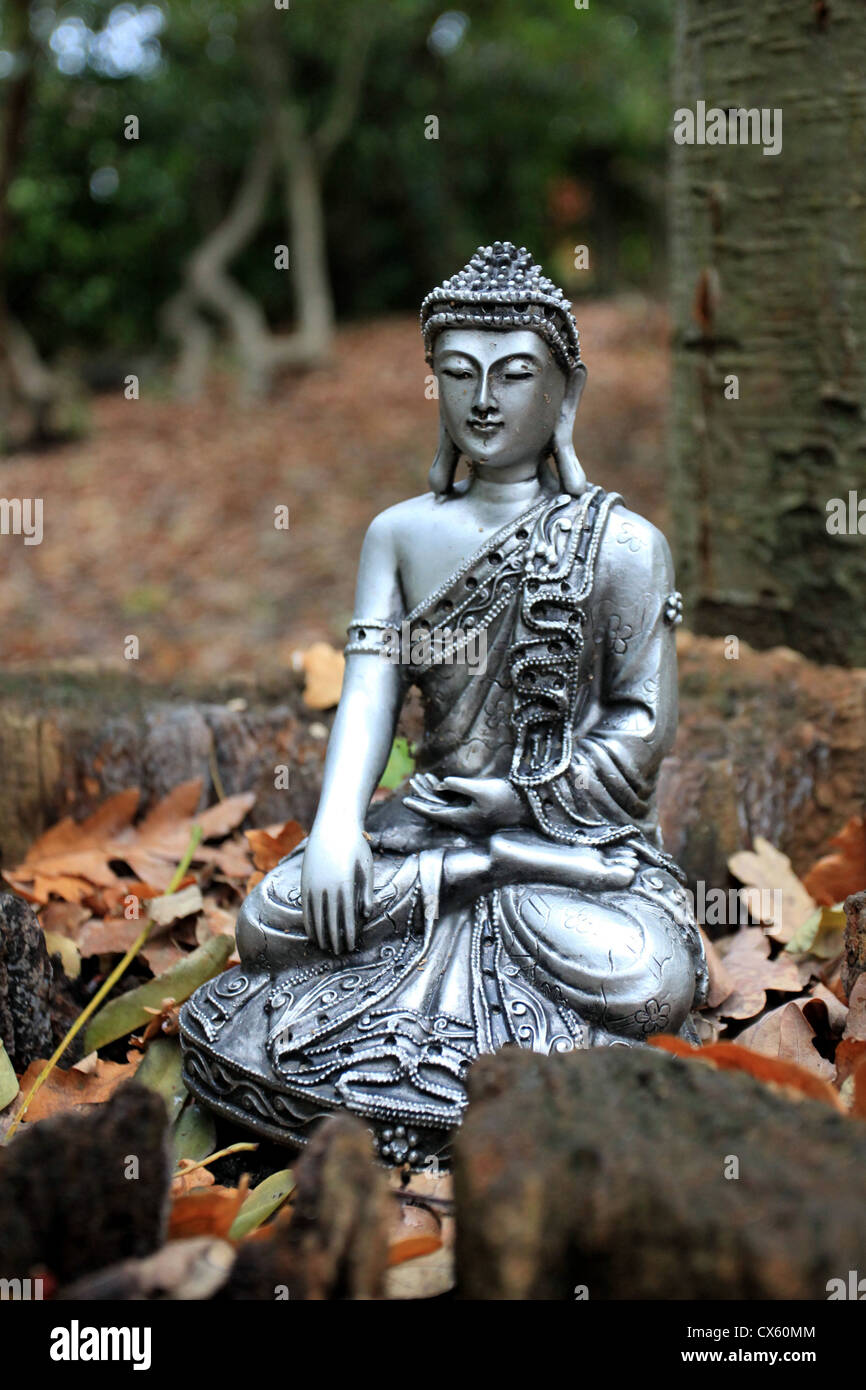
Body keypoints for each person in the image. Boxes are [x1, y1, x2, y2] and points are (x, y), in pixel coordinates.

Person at [181, 242, 707, 1167]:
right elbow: (370, 698)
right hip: (425, 838)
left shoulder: (623, 545)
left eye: (515, 374)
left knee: (651, 976)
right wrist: (342, 826)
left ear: (566, 392)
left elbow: (640, 723)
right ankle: (455, 893)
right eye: (457, 375)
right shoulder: (399, 535)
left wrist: (521, 805)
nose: (484, 400)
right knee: (268, 916)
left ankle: (468, 909)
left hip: (563, 855)